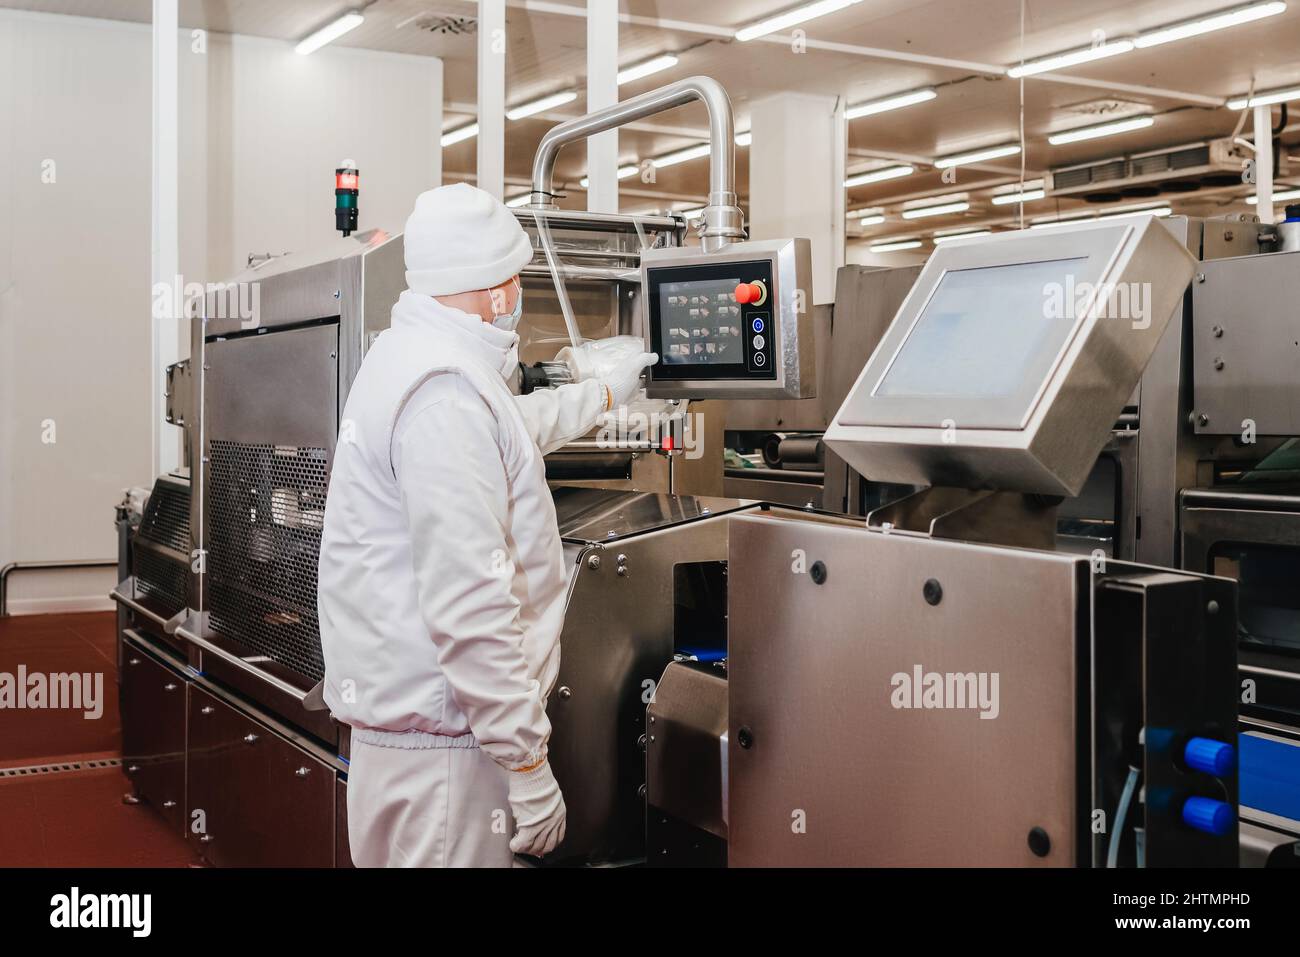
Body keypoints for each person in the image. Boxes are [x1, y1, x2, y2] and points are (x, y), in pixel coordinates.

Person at [317, 183, 657, 867]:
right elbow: (469, 602)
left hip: (413, 742)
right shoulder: (443, 394)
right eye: (517, 274)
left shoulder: (410, 359)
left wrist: (603, 393)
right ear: (496, 288)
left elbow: (510, 429)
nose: (519, 290)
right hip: (445, 754)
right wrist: (526, 762)